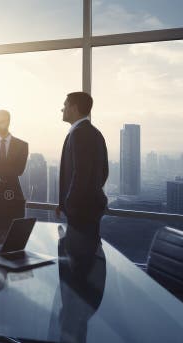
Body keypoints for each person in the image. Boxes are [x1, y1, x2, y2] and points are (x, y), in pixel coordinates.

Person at [56, 92, 109, 243]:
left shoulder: (79, 134)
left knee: (79, 257)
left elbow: (80, 173)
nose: (62, 110)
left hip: (81, 211)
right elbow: (104, 171)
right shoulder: (95, 133)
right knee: (87, 256)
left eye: (65, 106)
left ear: (73, 108)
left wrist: (70, 204)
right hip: (88, 208)